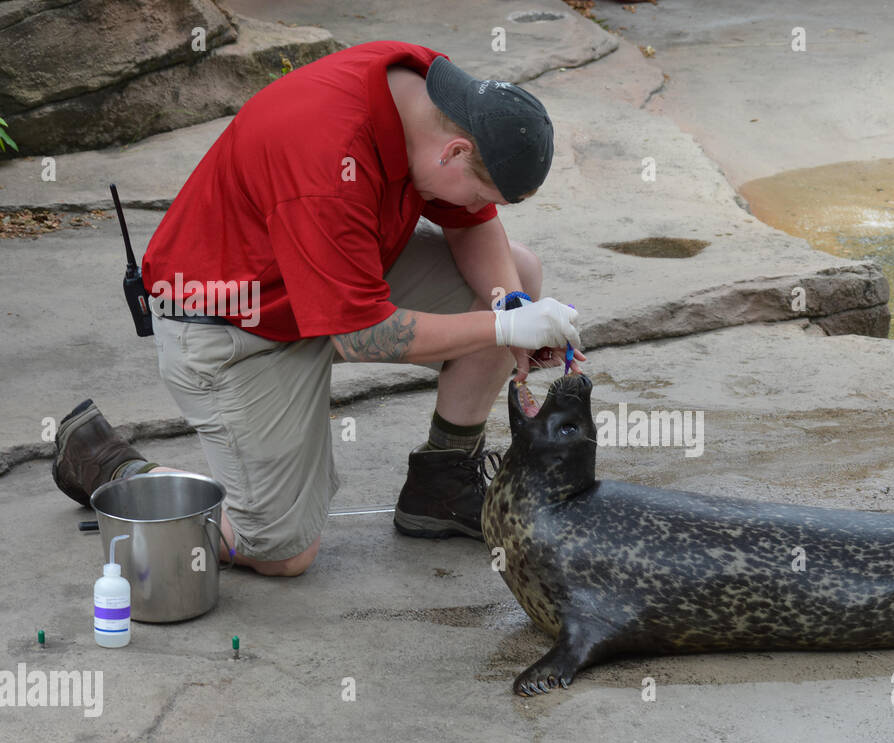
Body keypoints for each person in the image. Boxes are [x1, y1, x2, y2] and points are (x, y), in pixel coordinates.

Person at [52, 41, 583, 577]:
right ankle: (113, 467)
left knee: (516, 274)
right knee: (278, 550)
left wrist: (510, 306)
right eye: (476, 192)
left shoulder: (429, 96)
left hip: (329, 270)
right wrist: (504, 326)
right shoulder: (328, 158)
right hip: (233, 324)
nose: (473, 207)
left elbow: (472, 224)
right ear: (453, 152)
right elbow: (361, 335)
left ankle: (440, 485)